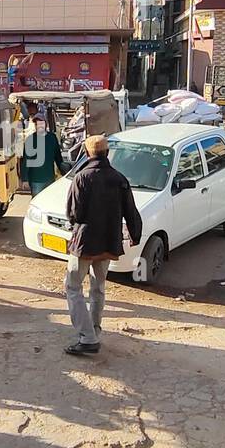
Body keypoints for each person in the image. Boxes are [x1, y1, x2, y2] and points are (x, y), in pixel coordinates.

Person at [62, 135, 142, 356]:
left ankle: (86, 338)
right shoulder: (119, 179)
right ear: (107, 153)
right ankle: (95, 331)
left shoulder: (82, 177)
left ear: (87, 154)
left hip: (85, 242)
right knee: (98, 287)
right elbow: (131, 211)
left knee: (73, 287)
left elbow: (73, 213)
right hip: (109, 241)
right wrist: (135, 235)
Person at [23, 115, 65, 196]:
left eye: (41, 123)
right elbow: (26, 161)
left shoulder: (52, 137)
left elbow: (58, 156)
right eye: (37, 124)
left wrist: (63, 170)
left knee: (48, 203)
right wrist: (25, 179)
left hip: (50, 178)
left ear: (46, 124)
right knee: (37, 203)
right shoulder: (30, 139)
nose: (39, 126)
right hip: (36, 180)